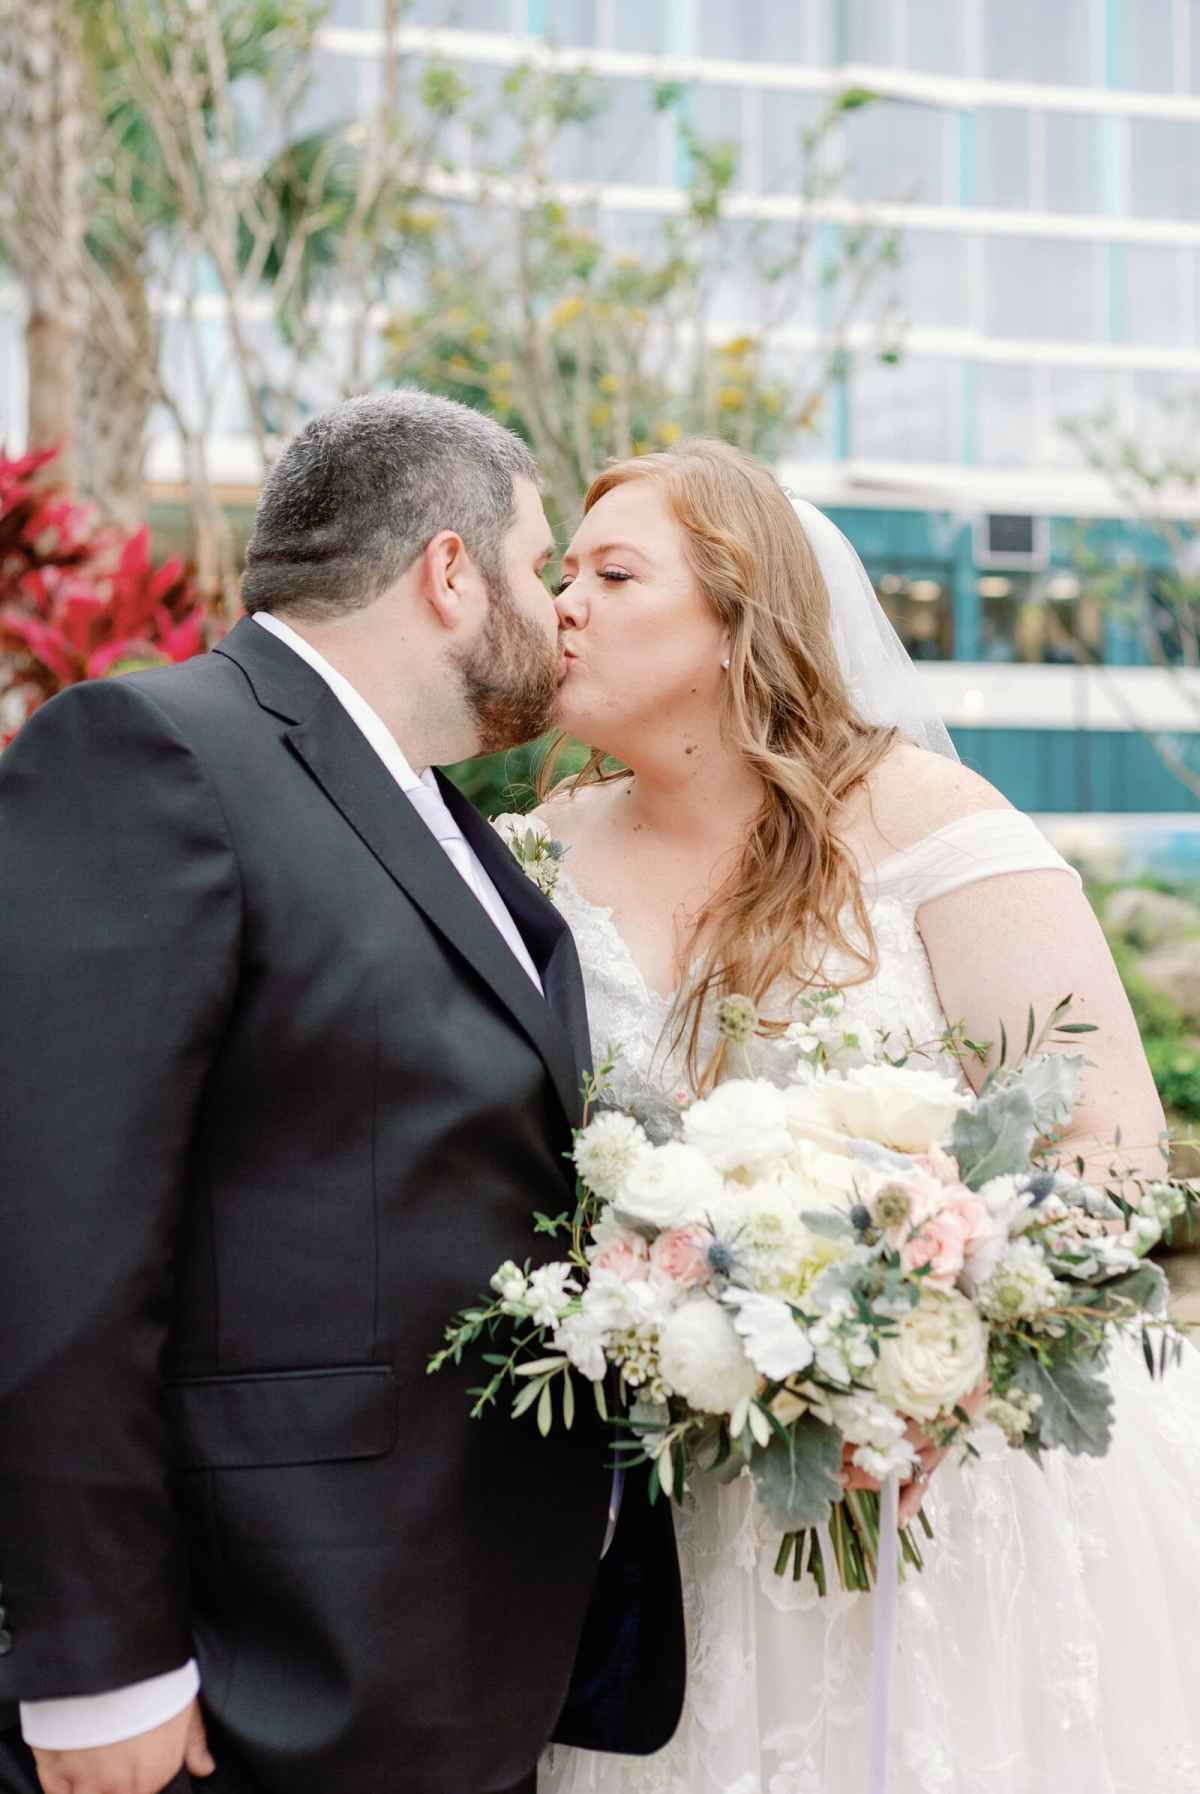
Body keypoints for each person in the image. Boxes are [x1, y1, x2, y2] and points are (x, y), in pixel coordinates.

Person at [0, 392, 684, 1794]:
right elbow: (51, 1232)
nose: (559, 606)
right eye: (536, 560)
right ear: (448, 571)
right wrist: (95, 1660)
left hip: (441, 1659)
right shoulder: (155, 755)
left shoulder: (441, 818)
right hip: (249, 1679)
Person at [536, 439, 1200, 1794]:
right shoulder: (533, 853)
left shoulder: (927, 820)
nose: (564, 604)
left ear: (736, 616)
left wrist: (938, 1356)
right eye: (561, 574)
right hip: (668, 1513)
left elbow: (1114, 1151)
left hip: (945, 1482)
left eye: (612, 572)